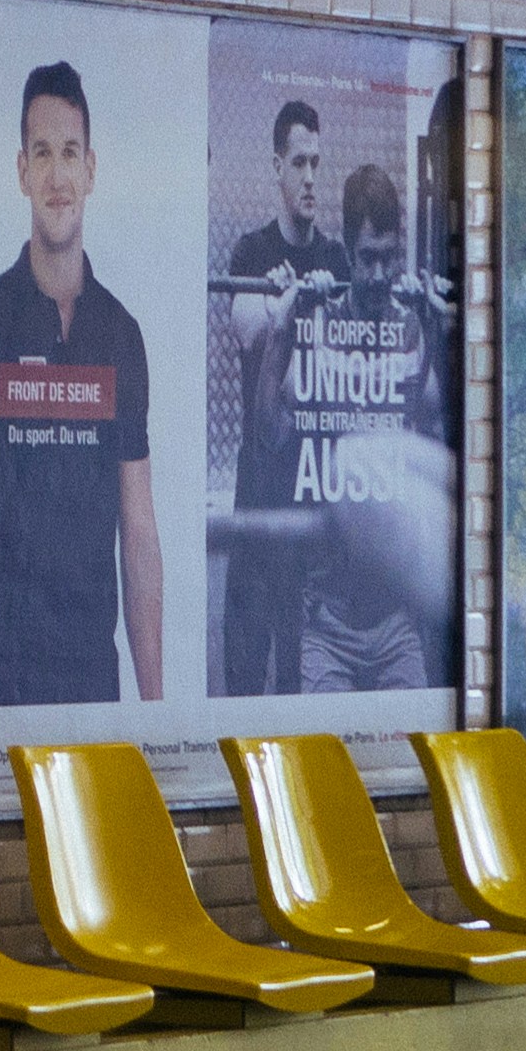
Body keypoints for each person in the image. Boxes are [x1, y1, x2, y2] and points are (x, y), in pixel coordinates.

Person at [0, 62, 164, 710]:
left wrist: (153, 711)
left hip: (99, 686)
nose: (57, 175)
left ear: (90, 169)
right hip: (8, 688)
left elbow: (139, 533)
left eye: (68, 153)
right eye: (41, 153)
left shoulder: (120, 335)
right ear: (21, 171)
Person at [288, 163, 456, 694]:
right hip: (328, 618)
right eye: (367, 259)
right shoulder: (320, 324)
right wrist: (291, 323)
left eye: (389, 257)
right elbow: (274, 420)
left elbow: (443, 434)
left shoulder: (413, 332)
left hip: (394, 621)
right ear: (347, 251)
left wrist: (443, 338)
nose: (380, 275)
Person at [214, 100, 333, 696]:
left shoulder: (336, 261)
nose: (310, 177)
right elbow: (243, 326)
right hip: (258, 488)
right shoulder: (251, 254)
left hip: (313, 494)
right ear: (277, 168)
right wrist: (280, 305)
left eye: (317, 162)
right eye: (299, 163)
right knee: (243, 665)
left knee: (297, 674)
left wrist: (322, 301)